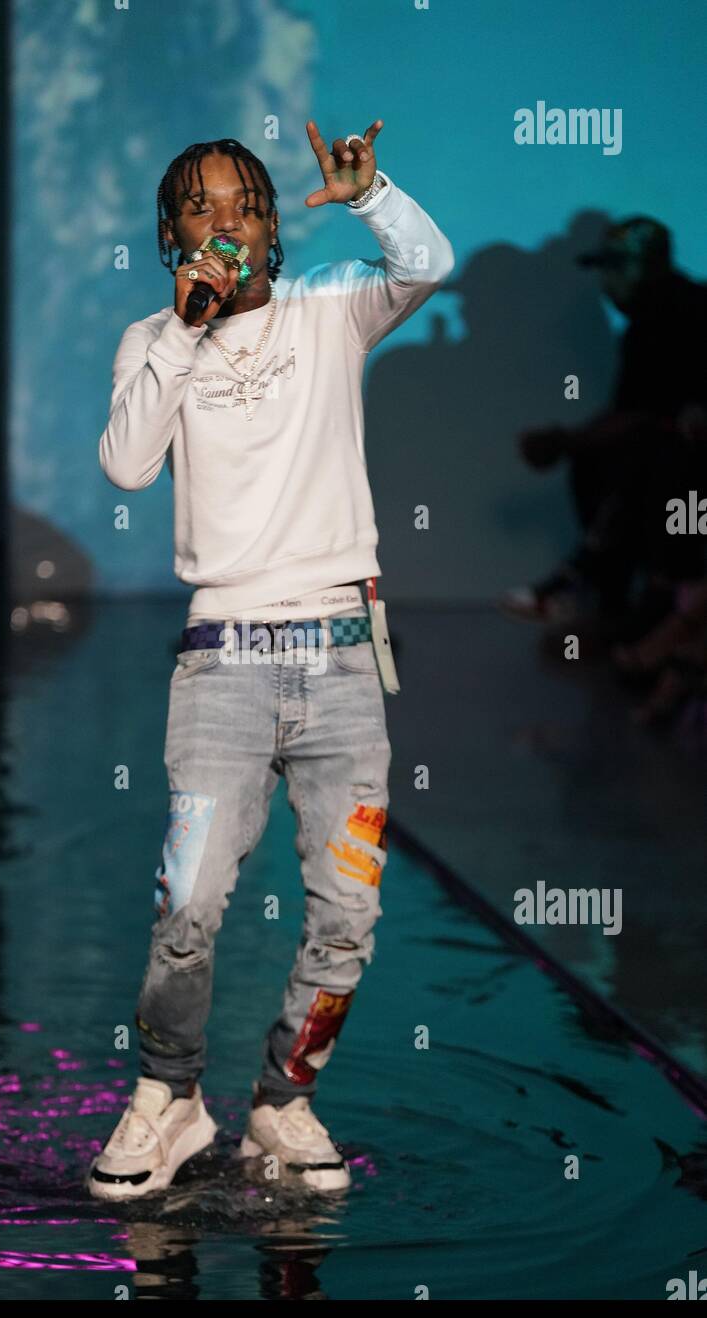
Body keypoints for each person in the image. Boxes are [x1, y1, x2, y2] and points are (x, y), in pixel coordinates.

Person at [88, 120, 454, 1198]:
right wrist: (187, 331)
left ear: (276, 222)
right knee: (189, 899)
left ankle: (285, 1100)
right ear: (172, 234)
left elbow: (427, 262)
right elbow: (122, 465)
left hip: (341, 659)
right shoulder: (152, 338)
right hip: (223, 661)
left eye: (245, 199)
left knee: (348, 912)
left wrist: (373, 190)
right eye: (202, 206)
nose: (227, 218)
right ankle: (169, 1096)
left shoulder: (331, 307)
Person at [502, 217, 707, 632]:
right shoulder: (656, 316)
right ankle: (611, 595)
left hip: (685, 471)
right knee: (616, 456)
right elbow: (638, 409)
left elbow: (649, 416)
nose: (606, 283)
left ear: (642, 265)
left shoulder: (671, 313)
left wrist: (563, 442)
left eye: (615, 268)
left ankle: (617, 590)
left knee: (651, 460)